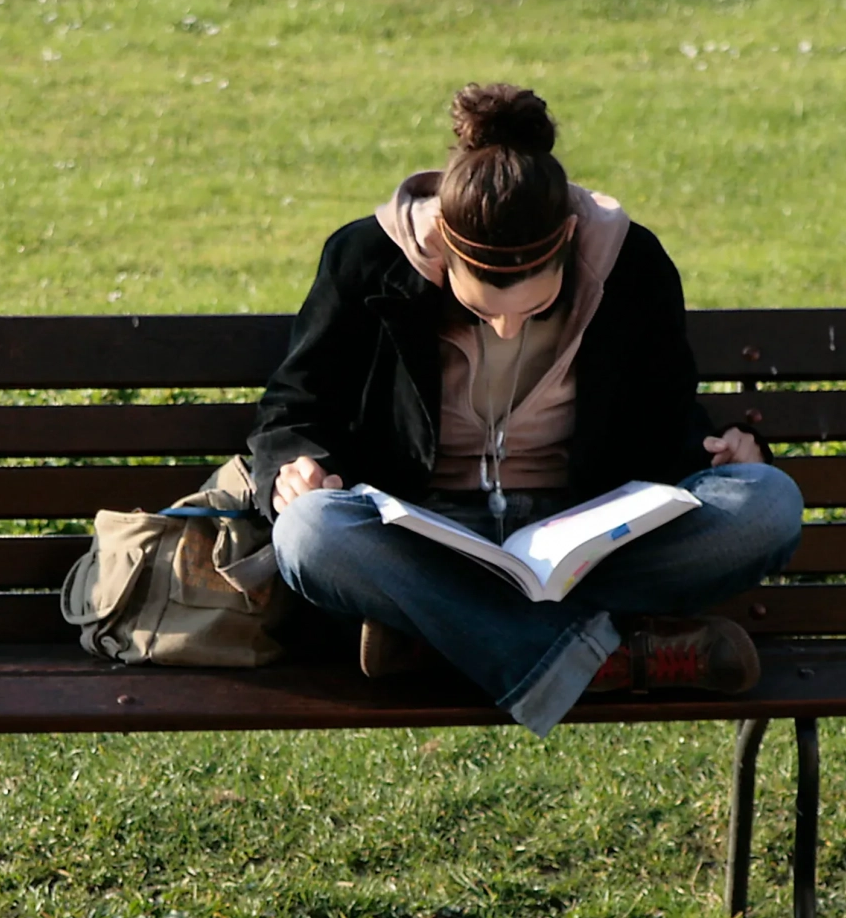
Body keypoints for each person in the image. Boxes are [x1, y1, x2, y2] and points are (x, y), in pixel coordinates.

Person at [248, 82, 804, 736]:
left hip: (586, 537)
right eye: (483, 310)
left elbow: (663, 416)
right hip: (423, 537)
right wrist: (293, 467)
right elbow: (294, 407)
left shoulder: (632, 266)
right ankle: (604, 658)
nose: (508, 329)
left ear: (567, 238)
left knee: (767, 503)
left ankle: (442, 639)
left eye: (533, 309)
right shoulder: (365, 260)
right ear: (444, 250)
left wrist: (727, 451)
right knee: (309, 532)